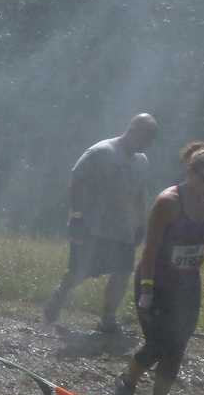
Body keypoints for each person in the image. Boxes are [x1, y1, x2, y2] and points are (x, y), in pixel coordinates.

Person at [111, 142, 204, 395]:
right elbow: (150, 250)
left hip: (187, 286)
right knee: (158, 344)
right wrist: (146, 289)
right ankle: (126, 382)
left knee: (177, 347)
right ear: (190, 172)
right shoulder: (168, 202)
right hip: (155, 282)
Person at [43, 114, 159, 332]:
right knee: (79, 272)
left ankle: (108, 318)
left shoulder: (141, 161)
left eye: (151, 140)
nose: (147, 144)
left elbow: (140, 194)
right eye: (146, 138)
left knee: (123, 271)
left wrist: (140, 223)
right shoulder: (102, 152)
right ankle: (56, 301)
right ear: (133, 131)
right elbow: (77, 179)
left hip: (123, 227)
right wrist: (76, 215)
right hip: (94, 225)